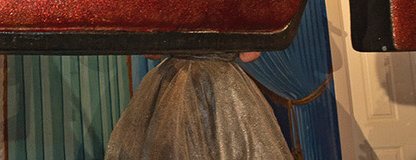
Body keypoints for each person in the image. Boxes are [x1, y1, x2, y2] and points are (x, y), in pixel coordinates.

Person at [104, 50, 292, 160]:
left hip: (176, 82)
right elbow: (249, 55)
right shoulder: (235, 0)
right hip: (223, 83)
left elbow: (153, 53)